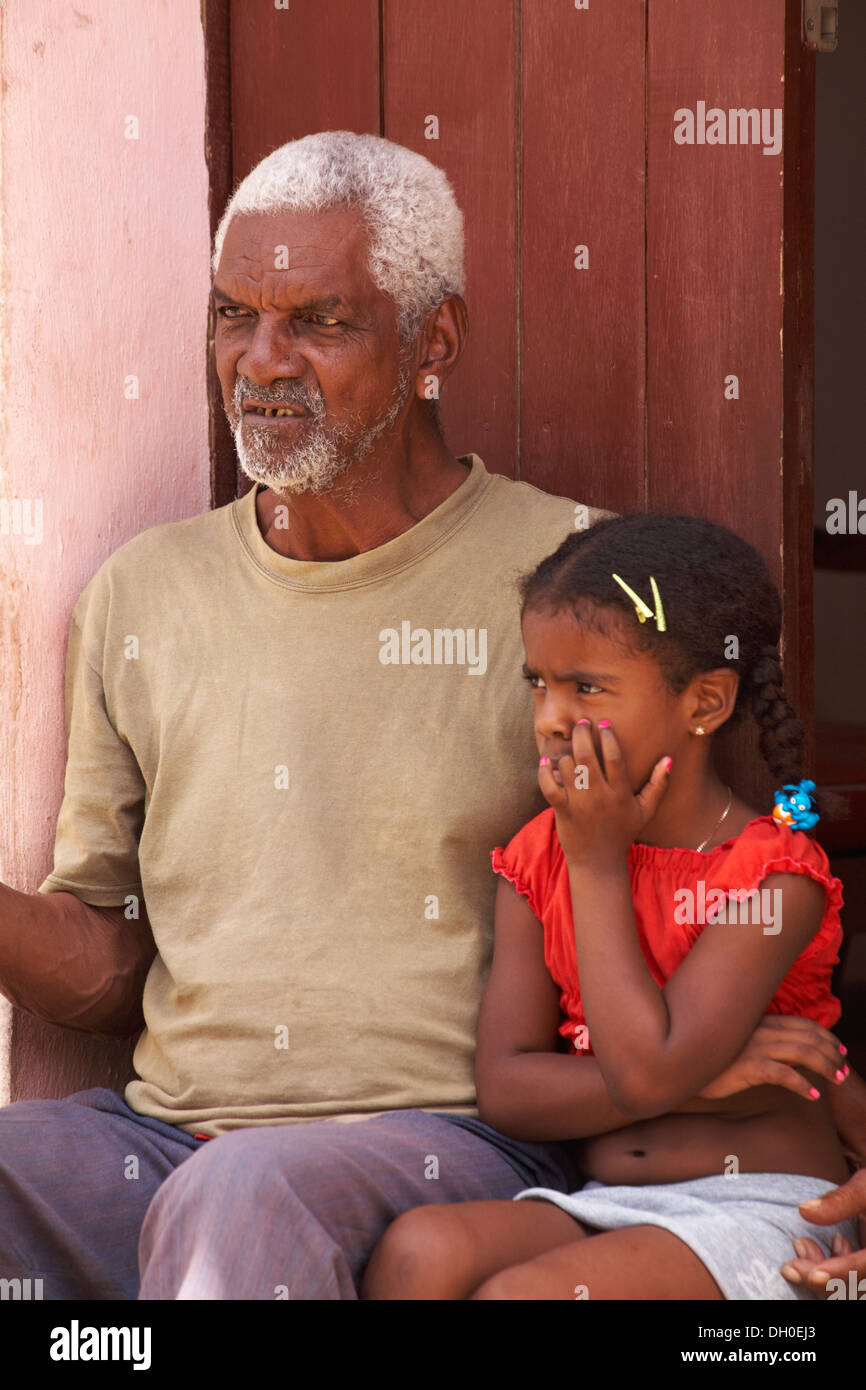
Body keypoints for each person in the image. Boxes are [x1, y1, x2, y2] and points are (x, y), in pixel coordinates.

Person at [0, 132, 863, 1301]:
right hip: (163, 1142)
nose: (261, 360)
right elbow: (108, 957)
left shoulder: (581, 592)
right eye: (231, 316)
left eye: (317, 319)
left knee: (242, 1195)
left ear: (432, 342)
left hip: (462, 1153)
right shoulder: (138, 595)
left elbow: (740, 873)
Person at [361, 512, 861, 1301]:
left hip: (761, 1210)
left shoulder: (771, 878)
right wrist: (706, 1076)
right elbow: (511, 1088)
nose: (552, 717)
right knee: (418, 1256)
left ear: (704, 703)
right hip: (601, 1203)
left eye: (586, 687)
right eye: (539, 683)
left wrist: (596, 865)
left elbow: (646, 1065)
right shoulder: (537, 858)